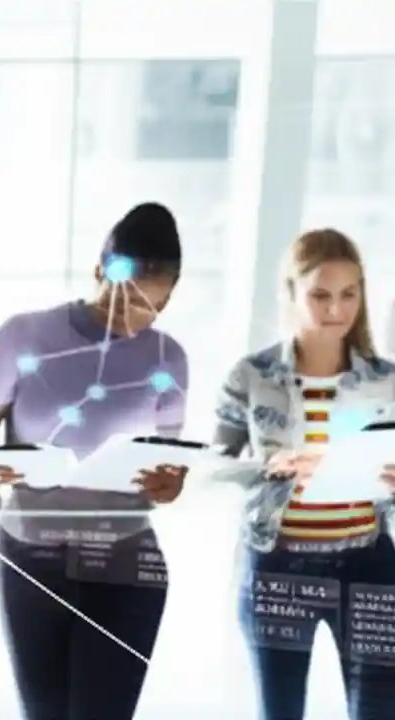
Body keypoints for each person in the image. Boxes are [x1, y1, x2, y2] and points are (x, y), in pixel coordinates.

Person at [0, 202, 191, 720]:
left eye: (149, 307)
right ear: (101, 270)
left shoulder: (169, 359)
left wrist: (169, 485)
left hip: (127, 563)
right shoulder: (23, 335)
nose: (130, 319)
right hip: (33, 559)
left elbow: (170, 469)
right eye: (123, 298)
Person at [214, 228, 395, 720]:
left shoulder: (386, 381)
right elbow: (215, 465)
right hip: (278, 565)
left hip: (368, 565)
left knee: (378, 710)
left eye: (348, 295)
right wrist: (268, 466)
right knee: (280, 711)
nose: (336, 309)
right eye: (320, 294)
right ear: (292, 292)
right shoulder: (250, 376)